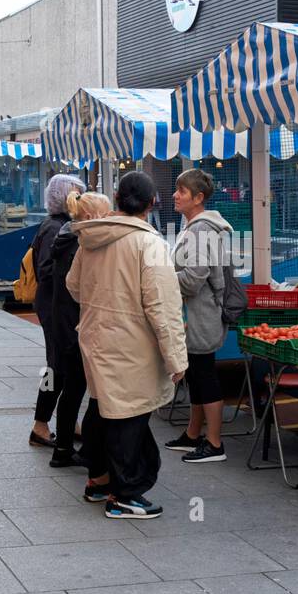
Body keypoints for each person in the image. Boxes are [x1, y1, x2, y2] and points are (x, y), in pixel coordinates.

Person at [67, 171, 186, 520]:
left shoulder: (90, 239)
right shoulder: (149, 244)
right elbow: (163, 307)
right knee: (128, 418)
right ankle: (125, 494)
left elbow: (74, 285)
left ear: (117, 199)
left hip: (96, 337)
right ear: (151, 204)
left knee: (103, 408)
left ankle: (98, 481)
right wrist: (176, 358)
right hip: (133, 344)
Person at [43, 189, 113, 474]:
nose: (110, 219)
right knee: (78, 389)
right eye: (106, 214)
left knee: (72, 388)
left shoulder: (66, 236)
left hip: (65, 322)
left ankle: (63, 449)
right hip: (76, 324)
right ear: (91, 217)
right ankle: (68, 450)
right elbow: (82, 289)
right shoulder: (81, 244)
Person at [166, 168, 233, 464]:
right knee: (194, 373)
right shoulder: (192, 226)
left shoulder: (200, 229)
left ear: (198, 198)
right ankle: (193, 434)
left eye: (182, 191)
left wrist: (161, 279)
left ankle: (215, 443)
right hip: (196, 313)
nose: (175, 195)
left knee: (204, 375)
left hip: (202, 315)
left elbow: (194, 278)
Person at [29, 173, 85, 449]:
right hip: (54, 307)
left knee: (64, 367)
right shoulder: (56, 227)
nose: (80, 197)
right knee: (57, 367)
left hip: (58, 305)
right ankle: (40, 425)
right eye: (75, 192)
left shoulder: (63, 224)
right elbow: (46, 270)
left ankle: (68, 421)